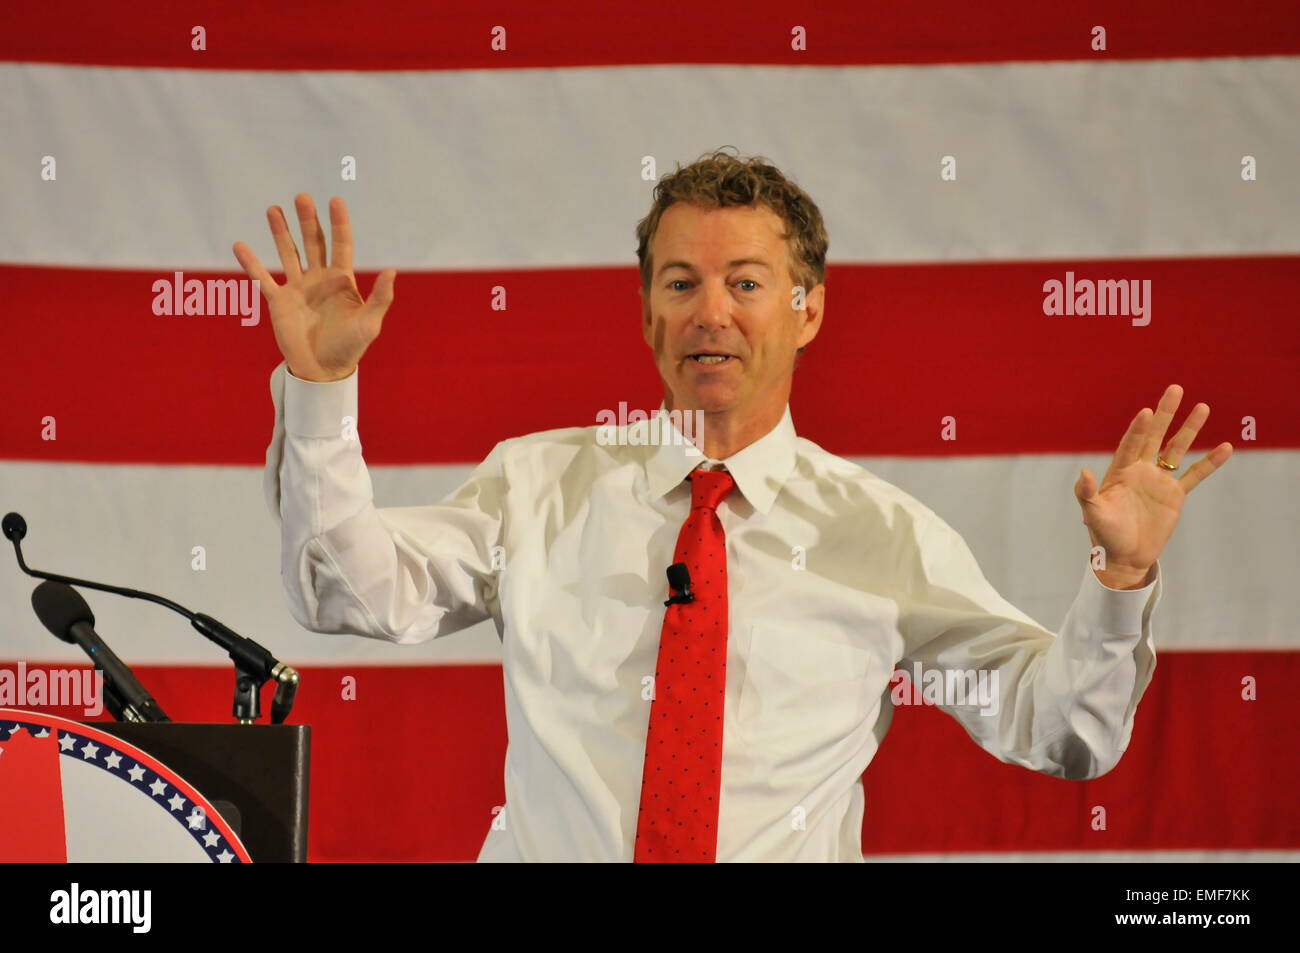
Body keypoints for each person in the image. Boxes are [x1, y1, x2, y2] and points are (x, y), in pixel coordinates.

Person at [233, 149, 1233, 862]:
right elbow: (340, 588)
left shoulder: (880, 535)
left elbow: (1061, 733)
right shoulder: (535, 485)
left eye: (745, 282)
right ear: (646, 312)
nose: (710, 311)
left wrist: (1121, 577)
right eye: (681, 282)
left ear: (809, 310)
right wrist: (322, 393)